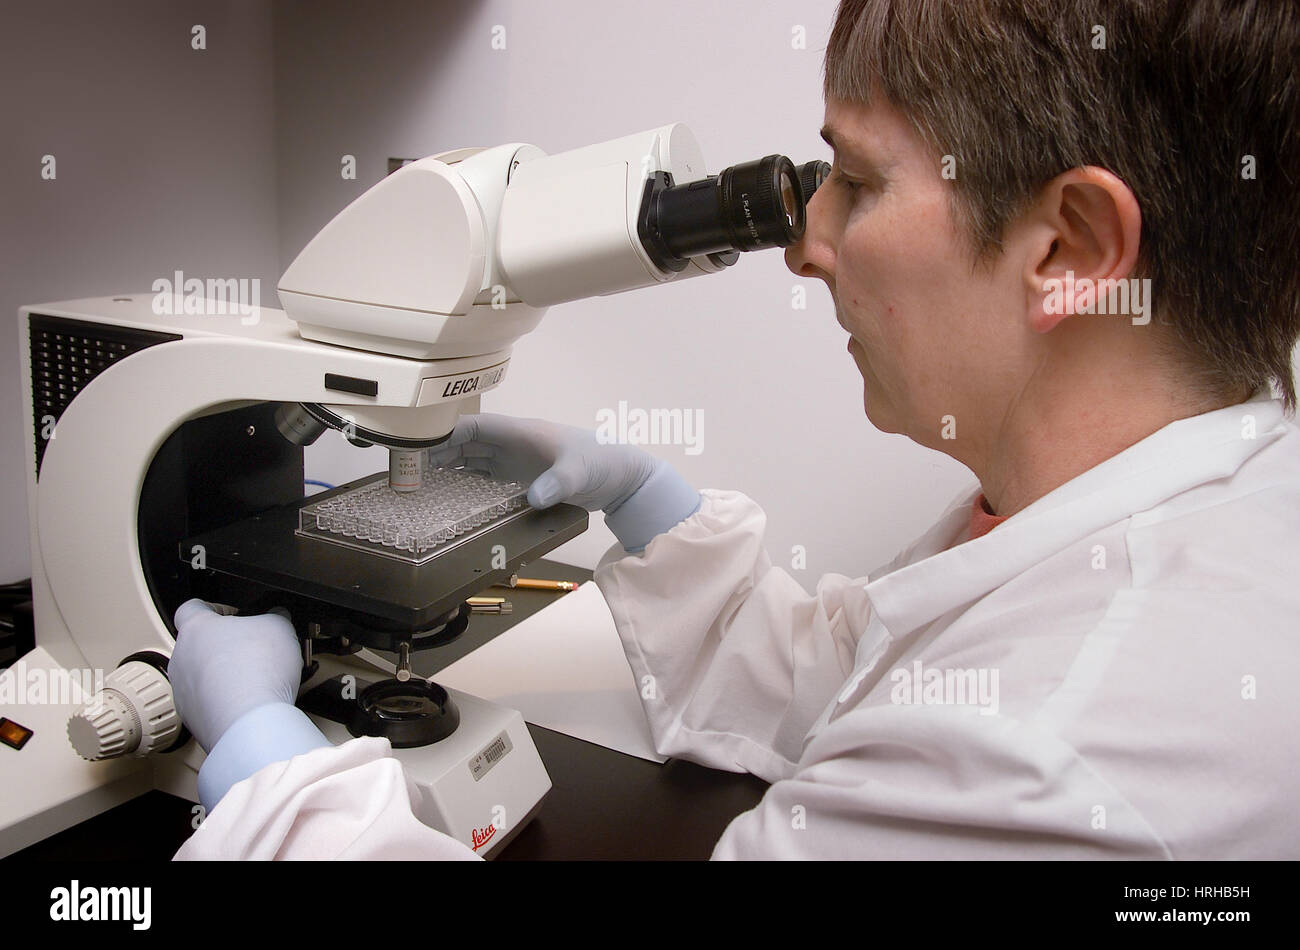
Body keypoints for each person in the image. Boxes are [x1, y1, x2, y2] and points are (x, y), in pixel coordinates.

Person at [171, 0, 1300, 859]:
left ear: (1068, 250)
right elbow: (866, 685)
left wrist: (276, 778)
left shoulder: (1044, 761)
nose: (805, 244)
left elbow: (948, 738)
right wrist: (647, 502)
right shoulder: (1177, 507)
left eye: (854, 181)